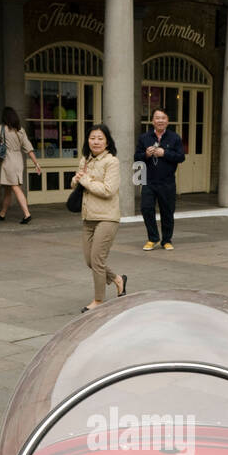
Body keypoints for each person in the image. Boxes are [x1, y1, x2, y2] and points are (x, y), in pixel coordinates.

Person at [70, 123, 126, 312]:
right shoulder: (85, 160)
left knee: (97, 259)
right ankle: (117, 279)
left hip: (107, 217)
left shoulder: (112, 162)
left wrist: (86, 180)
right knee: (90, 261)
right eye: (92, 138)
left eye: (100, 138)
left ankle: (99, 301)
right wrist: (76, 179)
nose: (96, 142)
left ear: (107, 141)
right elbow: (76, 185)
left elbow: (108, 190)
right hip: (88, 217)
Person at [134, 108, 185, 250]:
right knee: (146, 208)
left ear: (167, 121)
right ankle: (153, 238)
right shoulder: (144, 138)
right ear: (152, 121)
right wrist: (146, 154)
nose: (160, 120)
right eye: (157, 118)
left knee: (167, 211)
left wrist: (165, 153)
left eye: (163, 118)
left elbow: (181, 157)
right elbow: (136, 158)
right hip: (148, 180)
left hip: (167, 181)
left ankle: (167, 240)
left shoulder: (175, 138)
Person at [0, 106, 41, 223]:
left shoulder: (2, 128)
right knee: (8, 189)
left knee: (15, 188)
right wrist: (36, 163)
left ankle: (27, 214)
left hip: (8, 161)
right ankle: (2, 213)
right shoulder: (21, 130)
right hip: (18, 160)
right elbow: (29, 148)